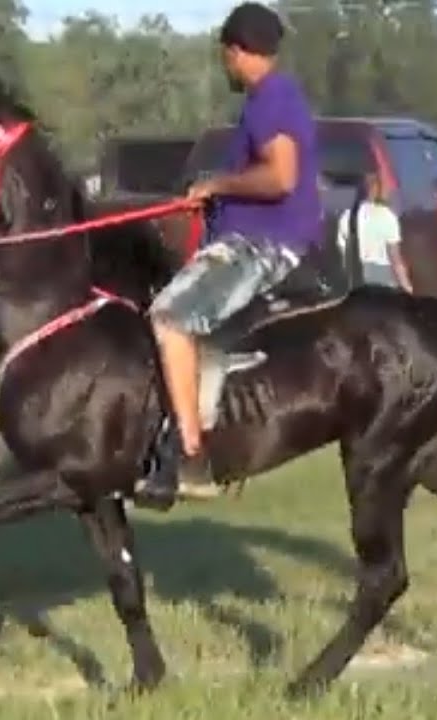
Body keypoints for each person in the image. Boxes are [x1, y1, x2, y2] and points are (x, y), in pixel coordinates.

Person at [139, 1, 323, 507]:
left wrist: (217, 182)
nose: (226, 64)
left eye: (226, 54)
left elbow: (280, 177)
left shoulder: (270, 97)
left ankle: (189, 456)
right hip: (260, 240)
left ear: (236, 50)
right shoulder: (275, 98)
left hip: (260, 245)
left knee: (171, 320)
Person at [336, 168, 413, 291]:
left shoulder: (346, 216)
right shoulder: (386, 215)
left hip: (357, 281)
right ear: (375, 188)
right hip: (383, 281)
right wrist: (407, 287)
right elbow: (395, 259)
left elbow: (344, 258)